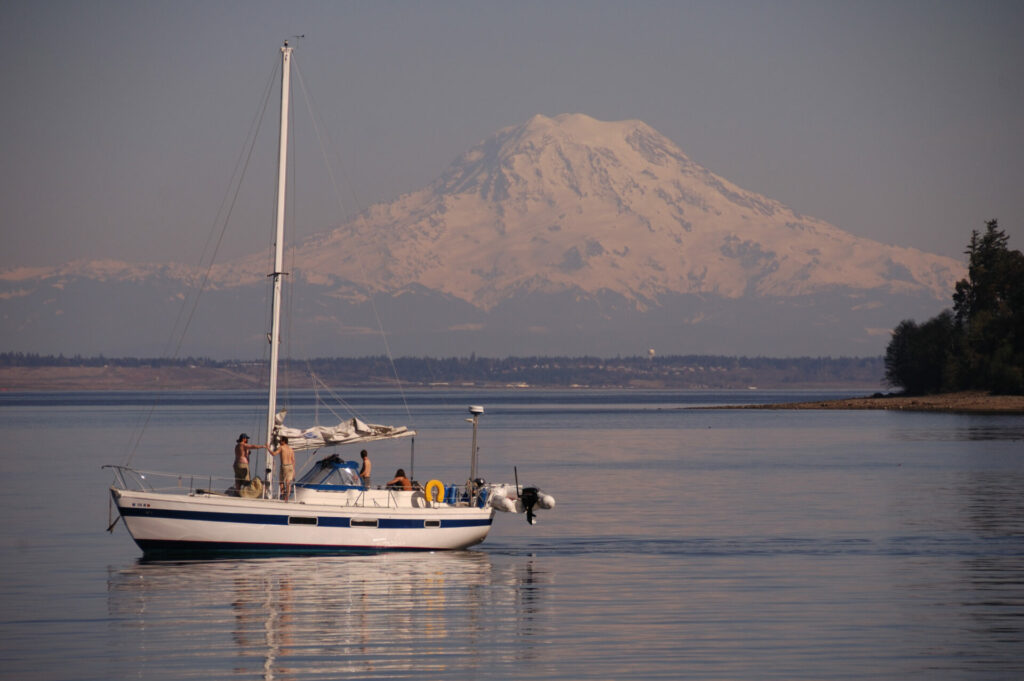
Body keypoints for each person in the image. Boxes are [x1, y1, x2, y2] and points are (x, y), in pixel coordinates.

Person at [268, 436, 296, 501]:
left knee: (281, 481)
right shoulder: (291, 449)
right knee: (288, 482)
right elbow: (293, 460)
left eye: (280, 441)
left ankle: (283, 495)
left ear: (283, 441)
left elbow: (273, 454)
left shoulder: (281, 447)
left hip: (284, 466)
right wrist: (294, 470)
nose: (279, 442)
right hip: (291, 466)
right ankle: (287, 497)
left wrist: (268, 448)